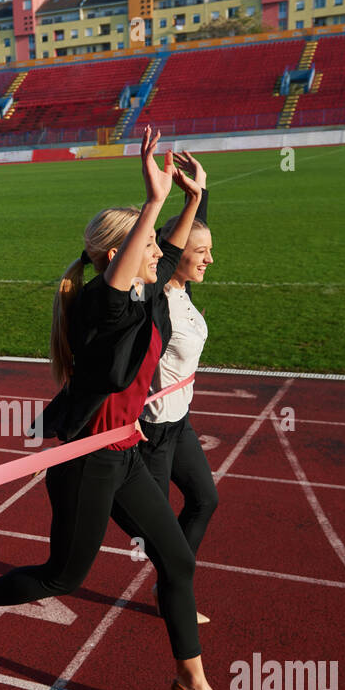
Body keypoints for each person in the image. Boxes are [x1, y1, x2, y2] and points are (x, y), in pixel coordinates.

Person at [0, 129, 240, 690]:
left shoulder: (146, 290)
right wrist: (151, 203)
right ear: (121, 256)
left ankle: (193, 682)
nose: (161, 255)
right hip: (85, 462)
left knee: (176, 559)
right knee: (63, 576)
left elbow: (167, 252)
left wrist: (193, 199)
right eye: (149, 246)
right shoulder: (105, 305)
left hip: (124, 450)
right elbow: (133, 268)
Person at [112, 193, 218, 626]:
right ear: (176, 257)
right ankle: (175, 587)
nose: (210, 259)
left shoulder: (184, 285)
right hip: (153, 432)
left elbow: (191, 235)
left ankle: (169, 583)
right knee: (154, 533)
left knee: (204, 499)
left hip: (180, 427)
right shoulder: (157, 303)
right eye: (201, 252)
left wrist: (201, 193)